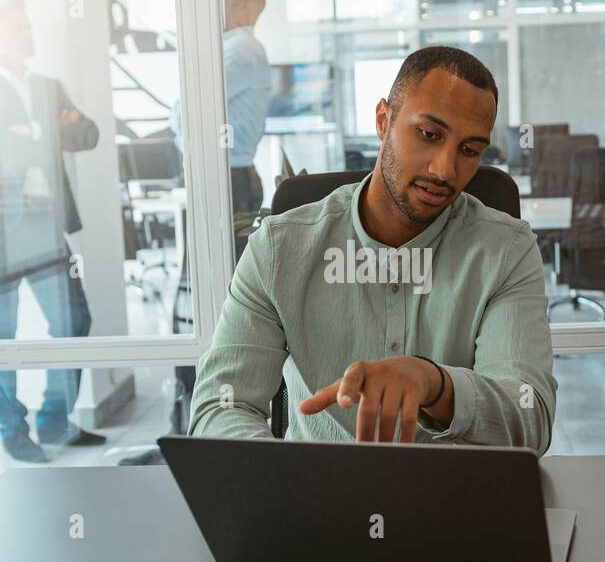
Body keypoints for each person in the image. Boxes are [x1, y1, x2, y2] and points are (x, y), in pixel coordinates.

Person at [188, 45, 555, 450]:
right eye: (429, 135)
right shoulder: (279, 249)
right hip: (314, 491)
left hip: (453, 497)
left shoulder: (507, 251)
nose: (445, 169)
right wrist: (282, 479)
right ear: (384, 120)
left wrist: (436, 385)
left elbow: (528, 421)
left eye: (469, 150)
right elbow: (220, 407)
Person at [0, 0, 105, 463]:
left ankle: (55, 421)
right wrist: (47, 128)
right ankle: (12, 431)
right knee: (0, 334)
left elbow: (89, 135)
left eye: (27, 25)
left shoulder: (48, 85)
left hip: (43, 221)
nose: (27, 34)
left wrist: (33, 131)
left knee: (74, 320)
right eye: (16, 28)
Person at [170, 0, 272, 432]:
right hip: (227, 178)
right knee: (205, 287)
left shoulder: (239, 50)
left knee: (213, 292)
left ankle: (205, 406)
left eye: (221, 1)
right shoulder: (238, 50)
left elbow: (186, 111)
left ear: (244, 7)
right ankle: (200, 403)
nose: (212, 11)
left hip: (225, 181)